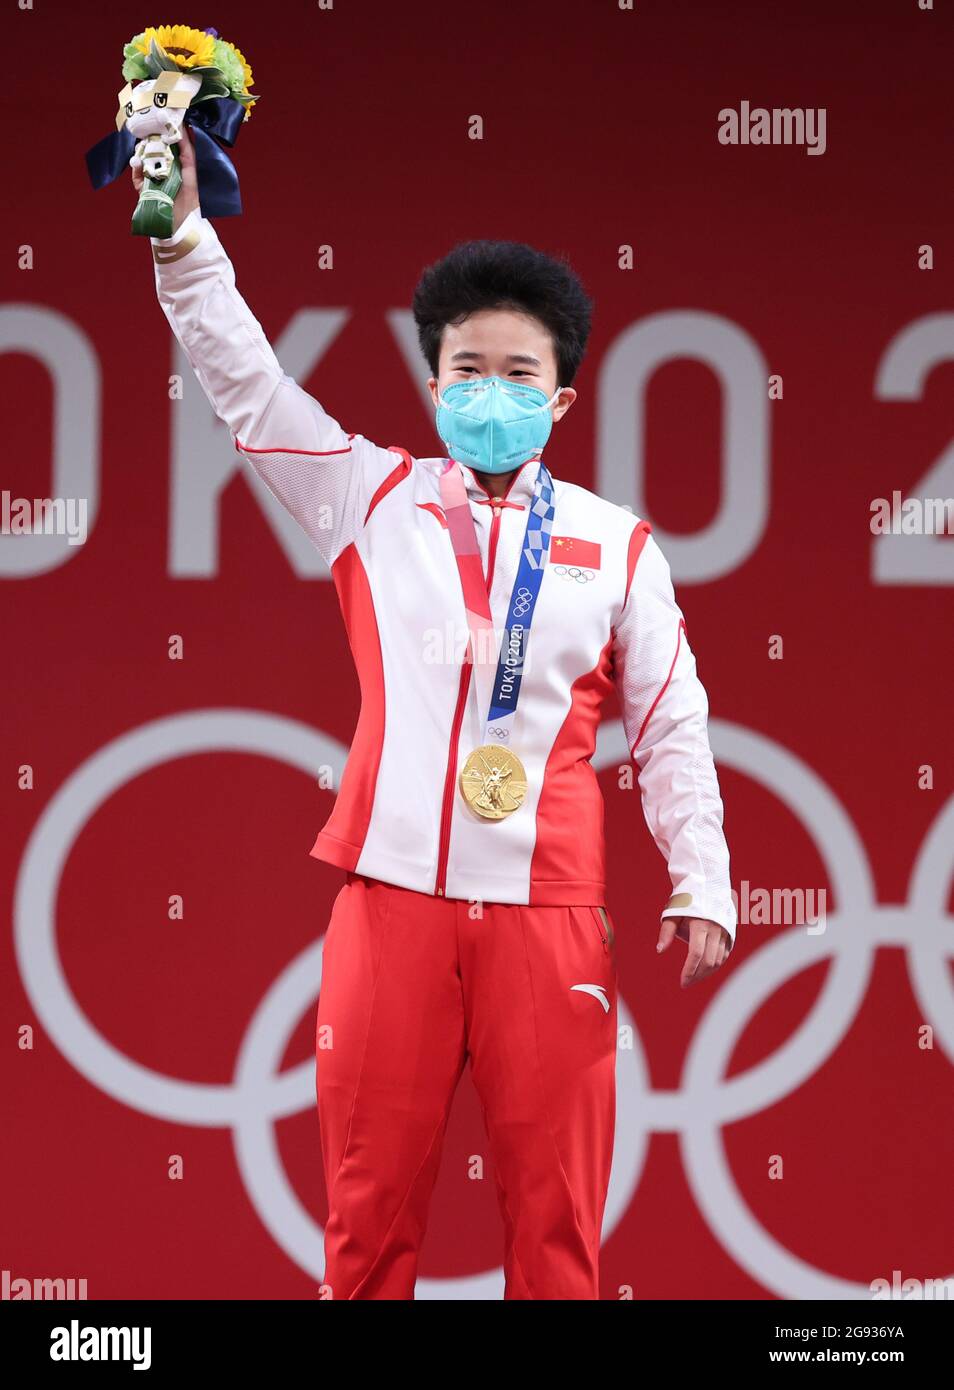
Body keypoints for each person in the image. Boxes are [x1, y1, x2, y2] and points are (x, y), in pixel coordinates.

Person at [136, 123, 737, 1300]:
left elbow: (672, 724)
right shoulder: (372, 496)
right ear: (433, 382)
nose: (492, 394)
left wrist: (701, 876)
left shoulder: (618, 545)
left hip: (549, 915)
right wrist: (186, 247)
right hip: (389, 902)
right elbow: (246, 382)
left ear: (562, 397)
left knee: (559, 1235)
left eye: (521, 377)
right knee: (365, 1227)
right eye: (469, 370)